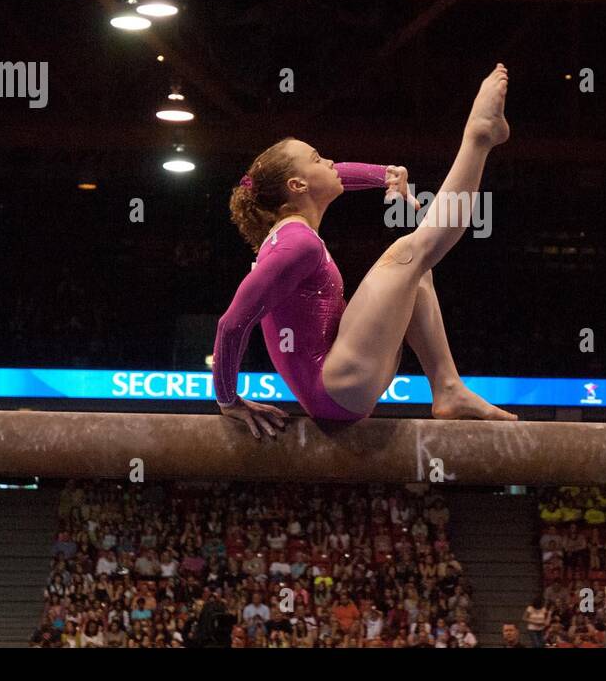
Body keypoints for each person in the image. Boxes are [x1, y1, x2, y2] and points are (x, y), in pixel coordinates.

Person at [214, 64, 517, 438]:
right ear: (297, 185)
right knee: (411, 251)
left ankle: (447, 387)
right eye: (317, 158)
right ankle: (477, 138)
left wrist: (384, 175)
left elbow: (340, 173)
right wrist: (227, 399)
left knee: (417, 276)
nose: (329, 162)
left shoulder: (291, 234)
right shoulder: (297, 244)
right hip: (336, 385)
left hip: (341, 383)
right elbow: (231, 323)